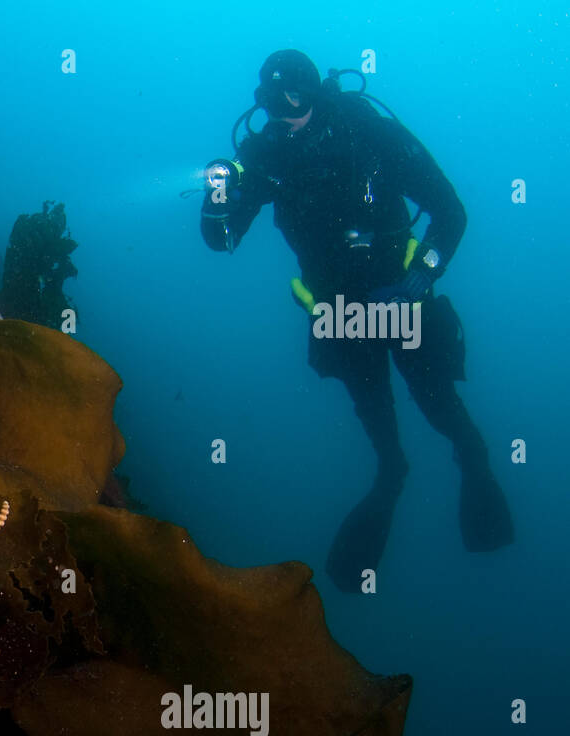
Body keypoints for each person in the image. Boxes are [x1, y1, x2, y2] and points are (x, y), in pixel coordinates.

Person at [200, 49, 513, 592]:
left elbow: (450, 210)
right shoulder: (265, 152)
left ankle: (475, 462)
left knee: (442, 408)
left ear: (316, 93)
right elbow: (222, 241)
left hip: (402, 300)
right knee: (382, 435)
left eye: (293, 98)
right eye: (270, 101)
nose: (282, 112)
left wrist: (422, 275)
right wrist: (218, 195)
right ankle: (391, 479)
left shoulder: (367, 131)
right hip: (337, 315)